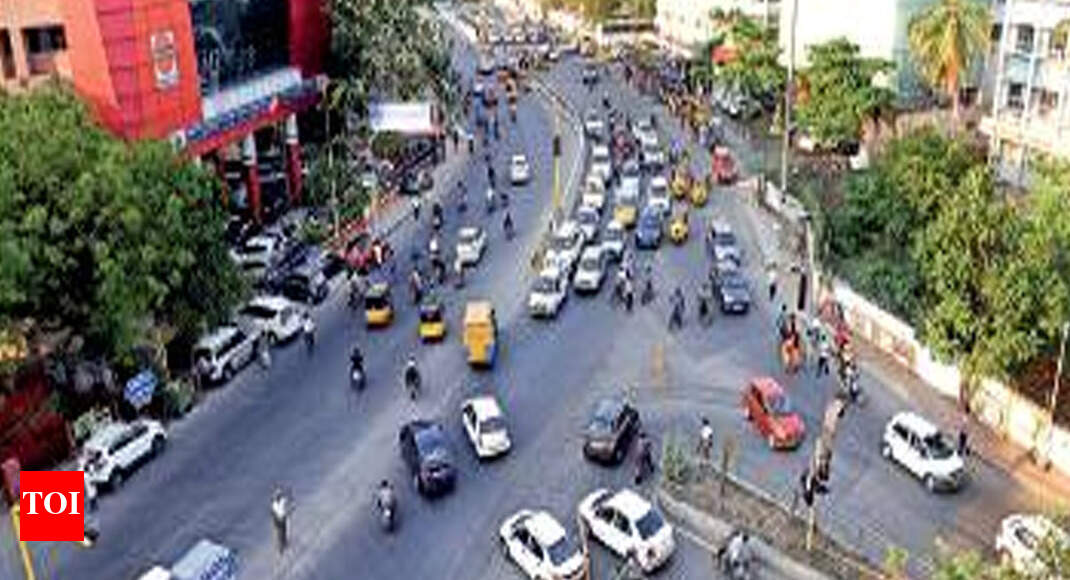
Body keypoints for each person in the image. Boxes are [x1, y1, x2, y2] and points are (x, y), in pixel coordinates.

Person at [271, 487, 291, 554]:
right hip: (278, 520)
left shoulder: (283, 500)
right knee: (280, 534)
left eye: (279, 496)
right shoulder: (274, 504)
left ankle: (284, 543)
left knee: (284, 531)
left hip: (283, 518)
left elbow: (288, 502)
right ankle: (281, 547)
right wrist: (275, 521)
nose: (278, 497)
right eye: (277, 496)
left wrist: (289, 510)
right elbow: (273, 513)